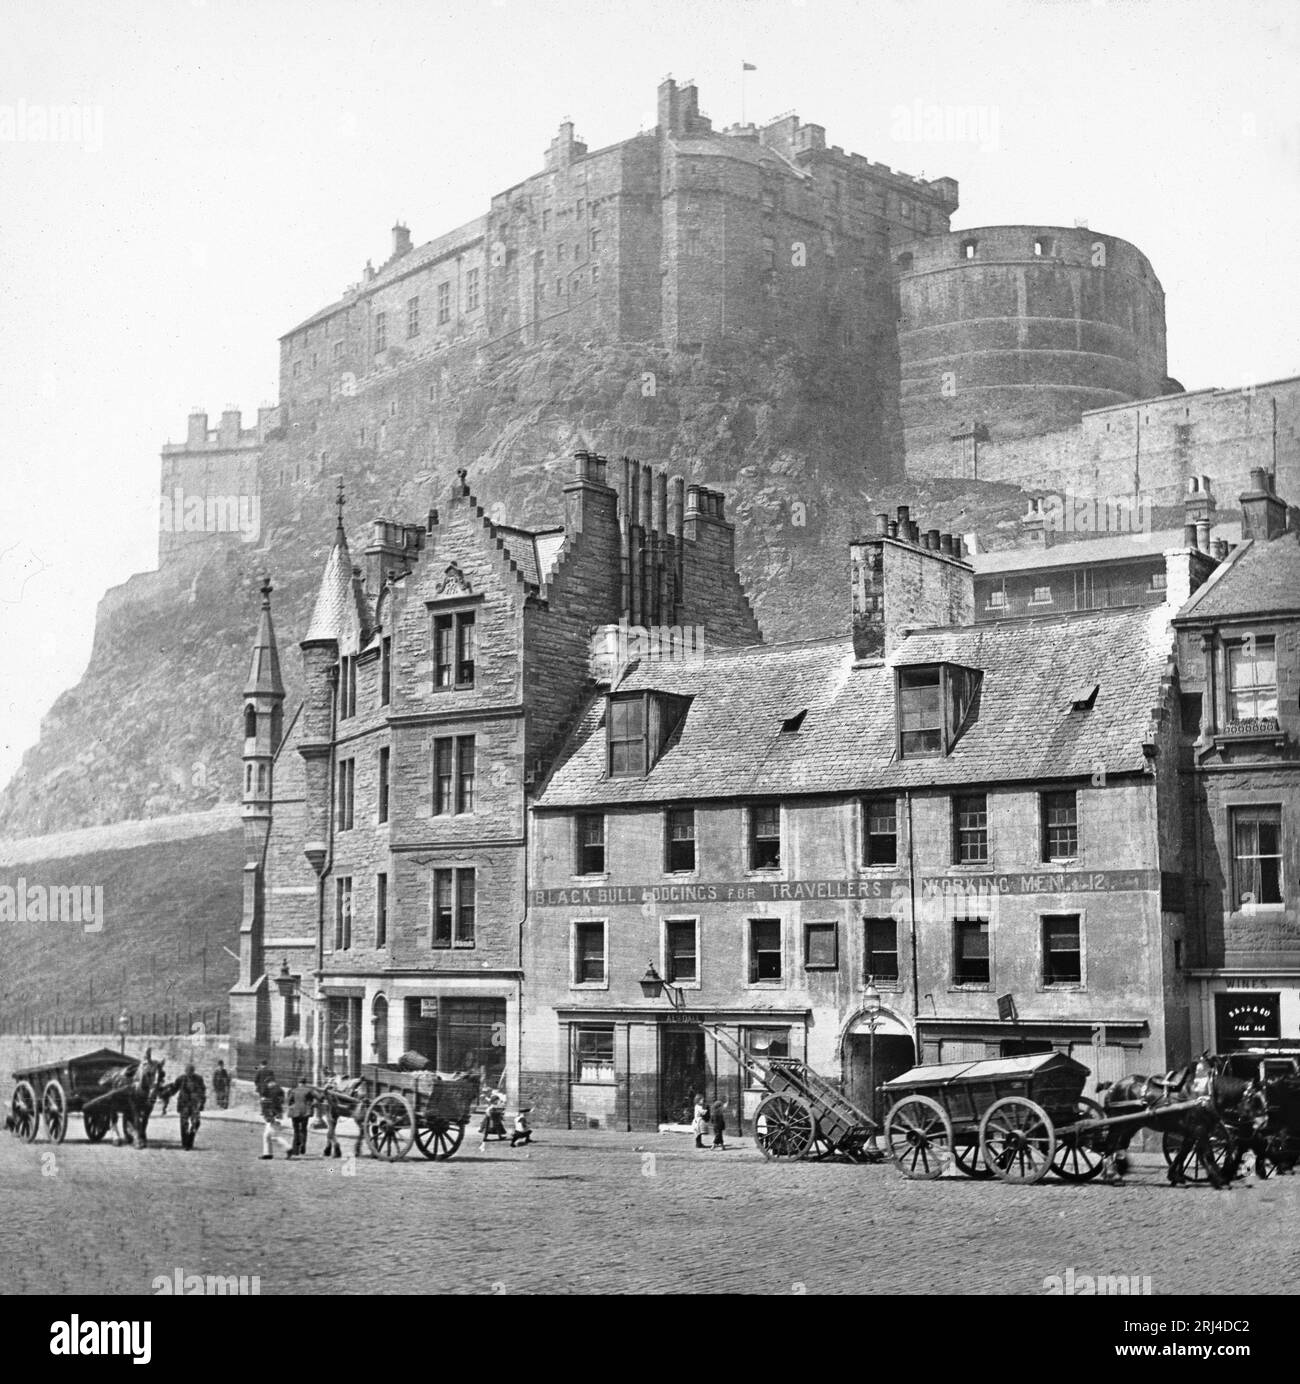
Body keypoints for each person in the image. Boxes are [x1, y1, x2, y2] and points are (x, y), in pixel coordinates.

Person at [170, 1063, 207, 1151]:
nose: (189, 1074)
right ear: (185, 1072)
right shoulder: (181, 1079)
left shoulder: (198, 1079)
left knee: (196, 1123)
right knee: (184, 1124)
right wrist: (166, 1093)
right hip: (184, 1104)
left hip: (194, 1104)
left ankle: (190, 1138)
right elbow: (174, 1089)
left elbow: (203, 1091)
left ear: (193, 1072)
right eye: (187, 1072)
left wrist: (202, 1102)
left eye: (191, 1072)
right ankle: (185, 1143)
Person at [259, 1078, 291, 1160]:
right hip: (276, 1114)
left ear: (272, 1082)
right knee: (267, 1135)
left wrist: (271, 1115)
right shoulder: (279, 1090)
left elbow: (273, 1104)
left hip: (273, 1115)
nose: (268, 1085)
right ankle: (267, 1154)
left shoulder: (274, 1091)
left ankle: (288, 1148)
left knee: (273, 1136)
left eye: (268, 1083)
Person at [287, 1076, 314, 1157]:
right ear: (305, 1083)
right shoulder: (309, 1090)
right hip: (305, 1112)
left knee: (296, 1131)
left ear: (299, 1083)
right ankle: (303, 1146)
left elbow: (288, 1101)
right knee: (303, 1130)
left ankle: (295, 1150)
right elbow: (318, 1098)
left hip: (295, 1112)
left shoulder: (293, 1090)